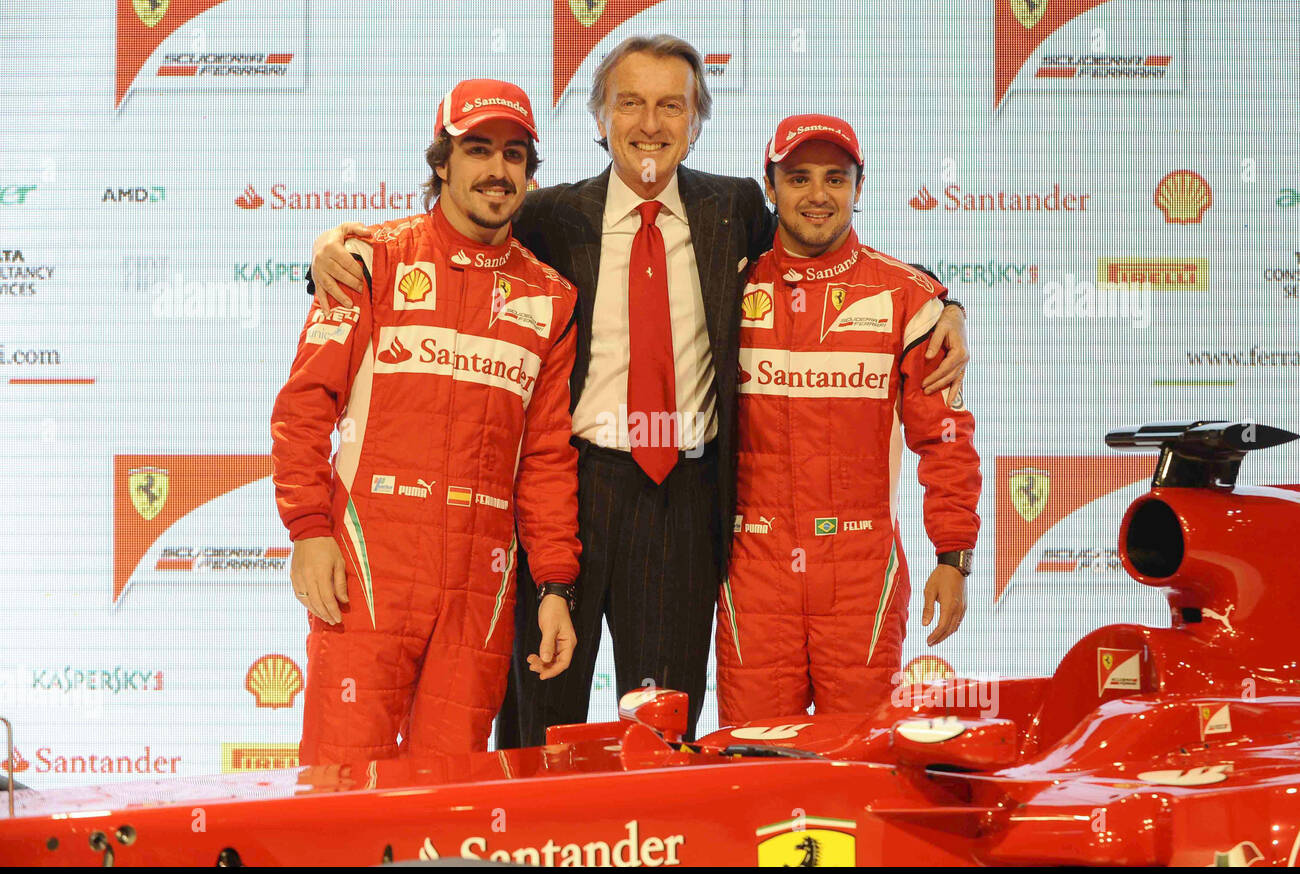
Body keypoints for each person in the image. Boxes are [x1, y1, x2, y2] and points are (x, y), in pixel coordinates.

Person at [305, 36, 970, 746]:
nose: (650, 123)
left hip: (681, 500)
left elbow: (830, 248)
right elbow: (455, 239)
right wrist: (326, 262)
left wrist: (944, 303)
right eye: (631, 103)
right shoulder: (547, 216)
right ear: (600, 119)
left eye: (670, 106)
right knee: (537, 725)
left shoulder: (735, 207)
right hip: (568, 490)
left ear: (694, 123)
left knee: (658, 736)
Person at [270, 78, 582, 764]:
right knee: (342, 784)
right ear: (442, 161)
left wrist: (555, 585)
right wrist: (308, 531)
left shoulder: (552, 299)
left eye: (514, 154)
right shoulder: (369, 261)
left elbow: (548, 459)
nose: (497, 171)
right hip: (370, 564)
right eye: (478, 149)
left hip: (480, 580)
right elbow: (303, 409)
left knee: (448, 801)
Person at [715, 115, 981, 725]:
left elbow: (946, 442)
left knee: (862, 759)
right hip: (752, 567)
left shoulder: (909, 301)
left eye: (836, 178)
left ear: (860, 188)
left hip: (862, 570)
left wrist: (952, 556)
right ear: (769, 185)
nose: (817, 195)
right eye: (798, 177)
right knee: (757, 762)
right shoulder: (725, 287)